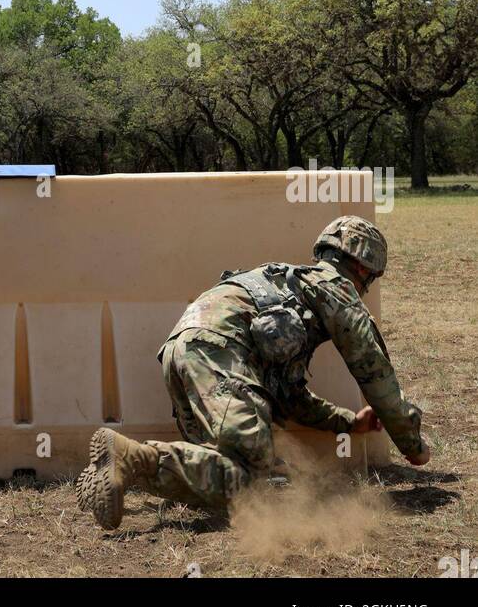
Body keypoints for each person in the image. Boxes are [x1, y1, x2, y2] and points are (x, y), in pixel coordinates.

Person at [76, 215, 430, 530]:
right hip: (219, 355)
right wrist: (412, 445)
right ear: (365, 270)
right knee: (255, 467)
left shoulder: (289, 285)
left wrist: (349, 422)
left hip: (182, 352)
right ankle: (130, 457)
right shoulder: (335, 290)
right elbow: (374, 372)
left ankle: (119, 470)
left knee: (238, 479)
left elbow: (289, 395)